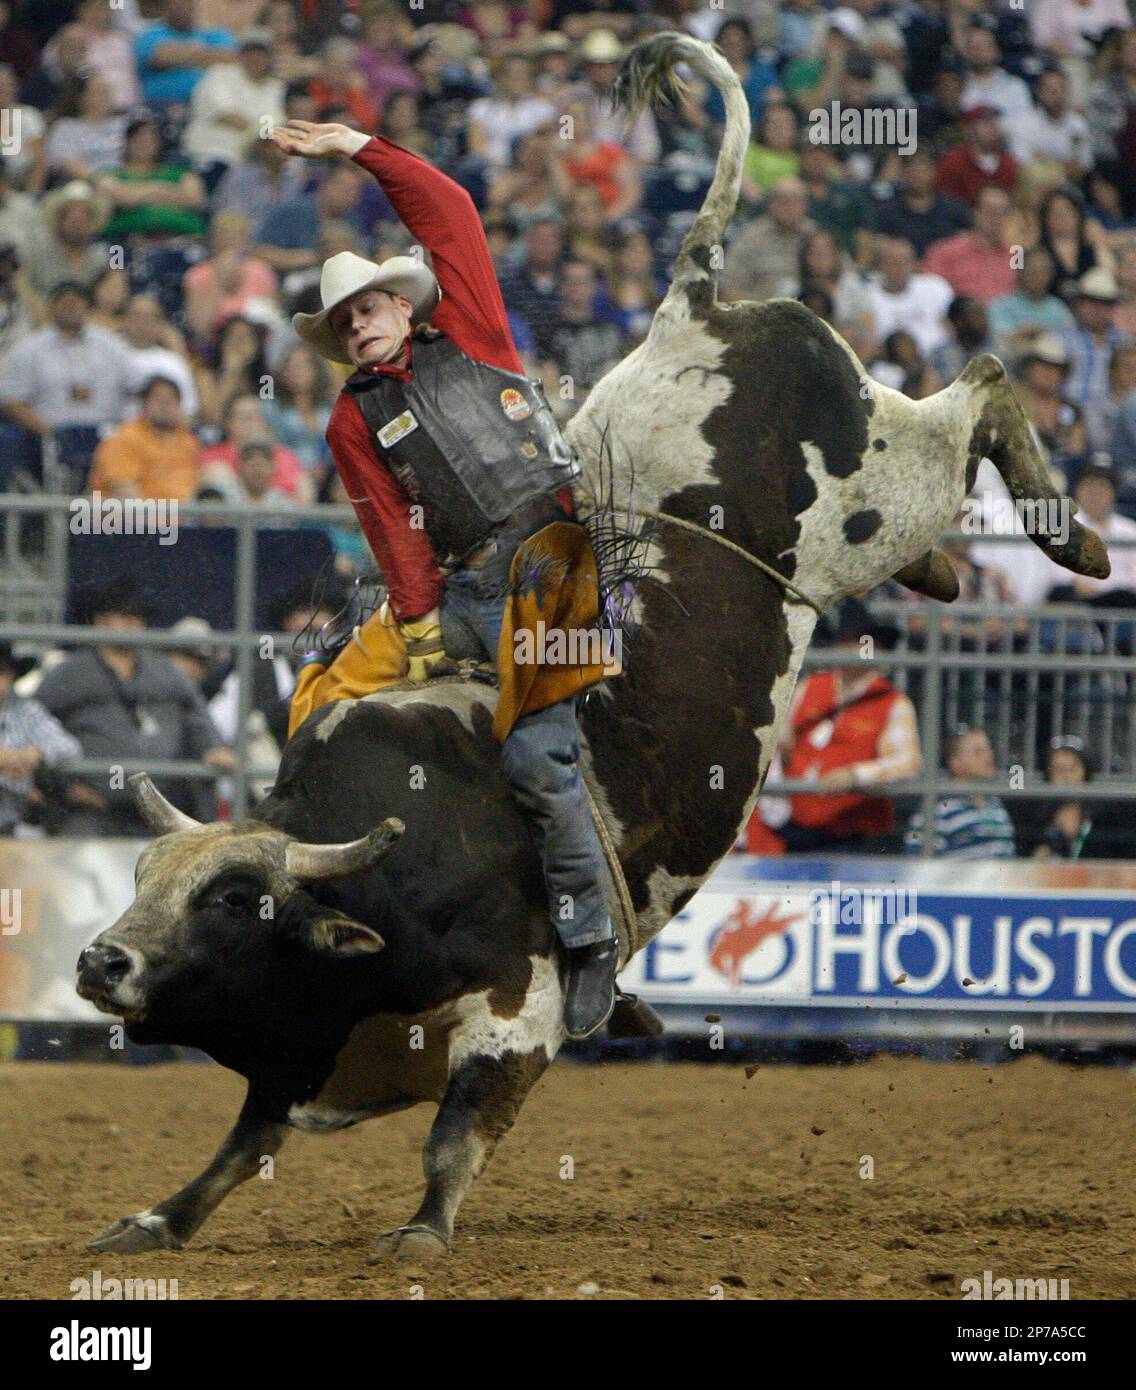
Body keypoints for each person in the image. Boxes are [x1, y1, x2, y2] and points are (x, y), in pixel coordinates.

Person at [270, 115, 619, 1038]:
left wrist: (359, 147)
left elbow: (453, 209)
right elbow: (393, 530)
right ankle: (296, 888)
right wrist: (419, 624)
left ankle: (591, 945)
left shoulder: (470, 320)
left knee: (538, 761)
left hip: (554, 564)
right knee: (331, 686)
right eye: (345, 322)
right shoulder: (353, 420)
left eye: (368, 309)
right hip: (463, 591)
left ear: (401, 305)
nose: (358, 325)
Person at [36, 578, 231, 833]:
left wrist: (212, 748)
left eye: (137, 617)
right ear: (100, 621)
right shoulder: (69, 673)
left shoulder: (168, 673)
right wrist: (63, 788)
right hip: (90, 809)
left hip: (164, 807)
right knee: (74, 851)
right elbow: (34, 725)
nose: (132, 624)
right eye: (124, 616)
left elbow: (198, 720)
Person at [776, 600, 922, 853]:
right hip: (795, 828)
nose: (851, 648)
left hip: (855, 836)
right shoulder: (810, 686)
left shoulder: (893, 701)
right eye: (845, 640)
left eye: (861, 641)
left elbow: (908, 763)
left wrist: (855, 775)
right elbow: (783, 739)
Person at [0, 641, 81, 837]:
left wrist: (35, 754)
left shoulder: (26, 710)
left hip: (16, 822)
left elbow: (69, 748)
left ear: (11, 677)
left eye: (1, 672)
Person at [905, 727, 1016, 859]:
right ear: (956, 763)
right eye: (978, 752)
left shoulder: (995, 803)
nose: (989, 756)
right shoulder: (939, 807)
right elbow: (917, 862)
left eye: (989, 749)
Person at [88, 374, 201, 501]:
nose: (165, 405)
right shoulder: (124, 440)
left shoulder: (188, 440)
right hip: (135, 517)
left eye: (171, 399)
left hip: (188, 515)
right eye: (158, 399)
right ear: (144, 404)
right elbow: (124, 490)